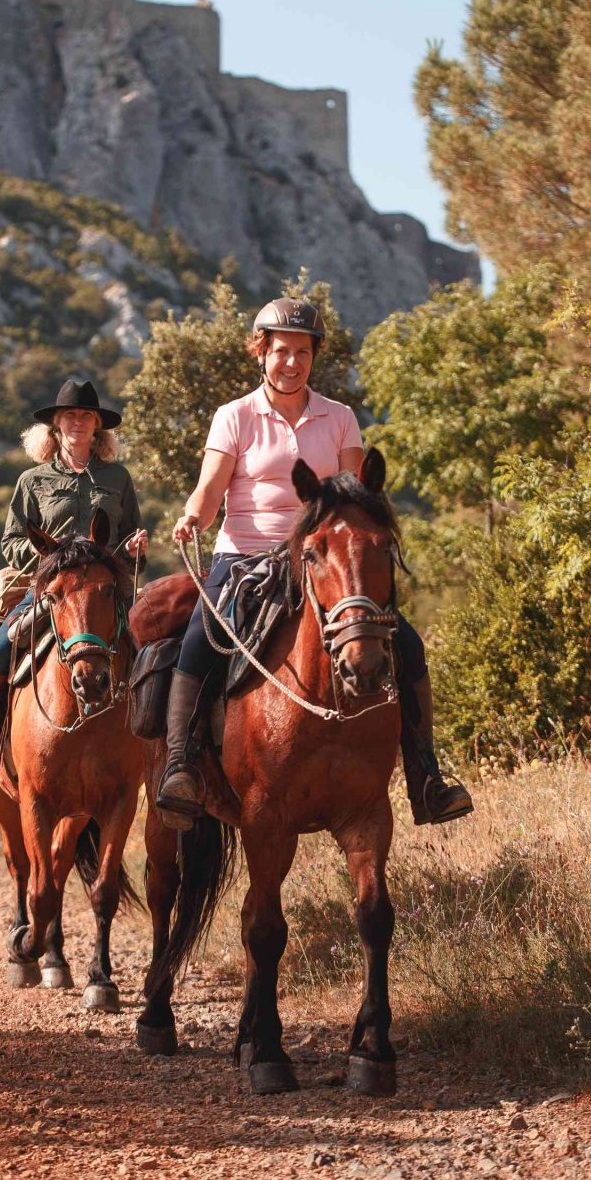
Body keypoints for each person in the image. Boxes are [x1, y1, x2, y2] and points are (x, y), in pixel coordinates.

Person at [155, 296, 474, 831]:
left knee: (406, 642)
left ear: (313, 357)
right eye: (282, 351)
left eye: (303, 352)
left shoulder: (340, 418)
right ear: (262, 352)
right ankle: (182, 765)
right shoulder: (234, 416)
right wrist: (193, 517)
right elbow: (210, 490)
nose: (292, 362)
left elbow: (356, 494)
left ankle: (426, 778)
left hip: (321, 558)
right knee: (199, 639)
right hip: (245, 554)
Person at [0, 377, 148, 805]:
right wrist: (50, 552)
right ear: (56, 425)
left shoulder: (117, 478)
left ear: (98, 425)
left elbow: (130, 534)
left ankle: (162, 756)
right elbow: (10, 541)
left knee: (153, 651)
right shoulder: (33, 480)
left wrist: (135, 548)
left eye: (86, 416)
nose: (78, 422)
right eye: (70, 415)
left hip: (104, 591)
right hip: (51, 588)